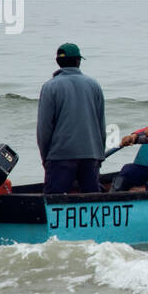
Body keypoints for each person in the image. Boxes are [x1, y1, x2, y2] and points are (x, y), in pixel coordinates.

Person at [37, 42, 107, 193]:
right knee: (93, 203)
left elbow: (44, 128)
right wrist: (99, 155)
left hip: (60, 156)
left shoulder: (50, 87)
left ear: (58, 62)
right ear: (78, 61)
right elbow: (101, 124)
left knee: (54, 203)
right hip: (91, 154)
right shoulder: (94, 85)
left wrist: (46, 157)